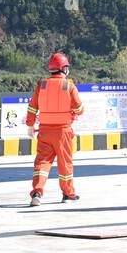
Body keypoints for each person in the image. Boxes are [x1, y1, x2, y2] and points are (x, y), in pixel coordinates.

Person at [26, 52, 83, 207]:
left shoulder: (42, 85)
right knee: (65, 163)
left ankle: (37, 193)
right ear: (63, 68)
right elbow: (79, 108)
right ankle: (67, 194)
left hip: (44, 131)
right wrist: (72, 113)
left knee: (42, 163)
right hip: (63, 132)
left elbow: (32, 108)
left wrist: (30, 126)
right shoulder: (68, 85)